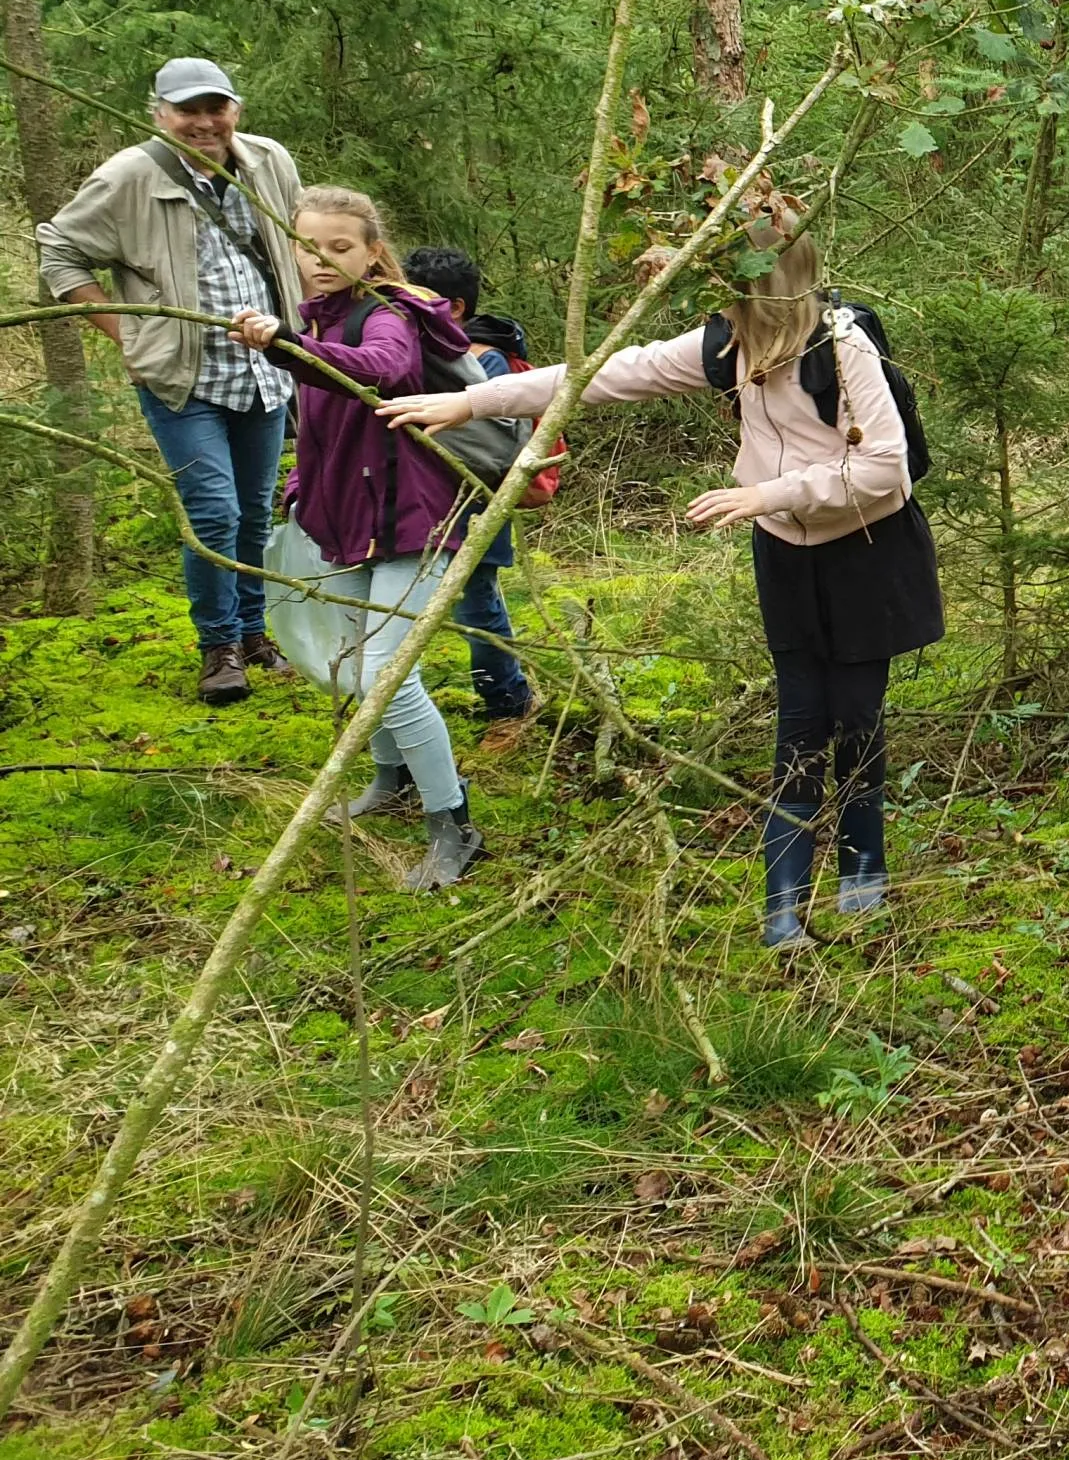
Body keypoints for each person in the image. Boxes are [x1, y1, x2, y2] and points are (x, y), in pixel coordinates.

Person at [381, 204, 940, 950]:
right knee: (802, 716)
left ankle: (863, 871)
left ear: (764, 286)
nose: (716, 309)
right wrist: (472, 399)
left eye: (726, 290)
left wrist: (765, 494)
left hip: (869, 550)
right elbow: (609, 375)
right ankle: (783, 906)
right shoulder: (723, 343)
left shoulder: (842, 349)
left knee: (857, 715)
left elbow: (884, 468)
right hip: (786, 552)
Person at [229, 187, 488, 891]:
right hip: (343, 518)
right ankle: (391, 779)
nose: (321, 260)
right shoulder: (324, 319)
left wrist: (285, 343)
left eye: (339, 247)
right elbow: (328, 429)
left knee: (385, 677)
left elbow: (382, 372)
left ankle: (455, 827)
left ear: (373, 251)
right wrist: (299, 489)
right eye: (308, 246)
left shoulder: (390, 315)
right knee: (349, 659)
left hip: (412, 519)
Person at [35, 57, 304, 704]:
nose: (204, 123)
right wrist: (127, 333)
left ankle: (252, 634)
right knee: (213, 512)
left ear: (235, 109)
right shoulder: (129, 176)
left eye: (216, 108)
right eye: (188, 110)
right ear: (159, 113)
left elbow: (297, 242)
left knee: (250, 511)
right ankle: (218, 650)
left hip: (265, 373)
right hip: (182, 377)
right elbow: (58, 248)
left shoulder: (267, 161)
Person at [405, 246, 539, 750]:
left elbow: (499, 440)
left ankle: (508, 701)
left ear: (454, 308)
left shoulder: (485, 359)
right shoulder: (421, 349)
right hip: (427, 492)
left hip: (475, 496)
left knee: (474, 598)